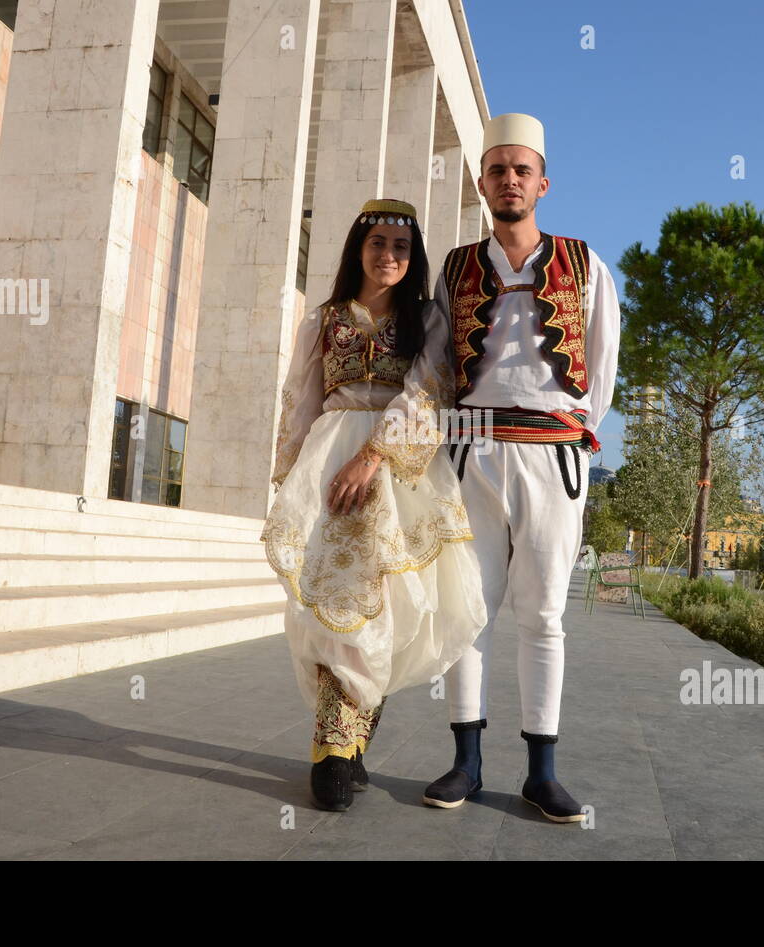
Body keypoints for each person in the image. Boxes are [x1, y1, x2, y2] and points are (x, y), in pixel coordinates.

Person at [421, 113, 621, 823]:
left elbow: (603, 365)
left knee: (543, 614)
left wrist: (574, 434)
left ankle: (542, 772)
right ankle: (466, 762)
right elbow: (433, 361)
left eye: (521, 169)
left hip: (552, 454)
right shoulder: (453, 266)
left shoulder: (586, 262)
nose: (509, 180)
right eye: (497, 169)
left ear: (543, 182)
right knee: (466, 613)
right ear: (482, 182)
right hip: (471, 449)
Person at [261, 198, 487, 812]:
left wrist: (374, 455)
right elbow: (301, 400)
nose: (389, 255)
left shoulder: (426, 319)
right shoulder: (324, 319)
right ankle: (337, 746)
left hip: (397, 467)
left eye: (401, 247)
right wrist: (291, 483)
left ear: (413, 259)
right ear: (358, 250)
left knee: (384, 602)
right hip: (327, 462)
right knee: (333, 597)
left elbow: (429, 389)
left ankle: (346, 743)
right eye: (378, 243)